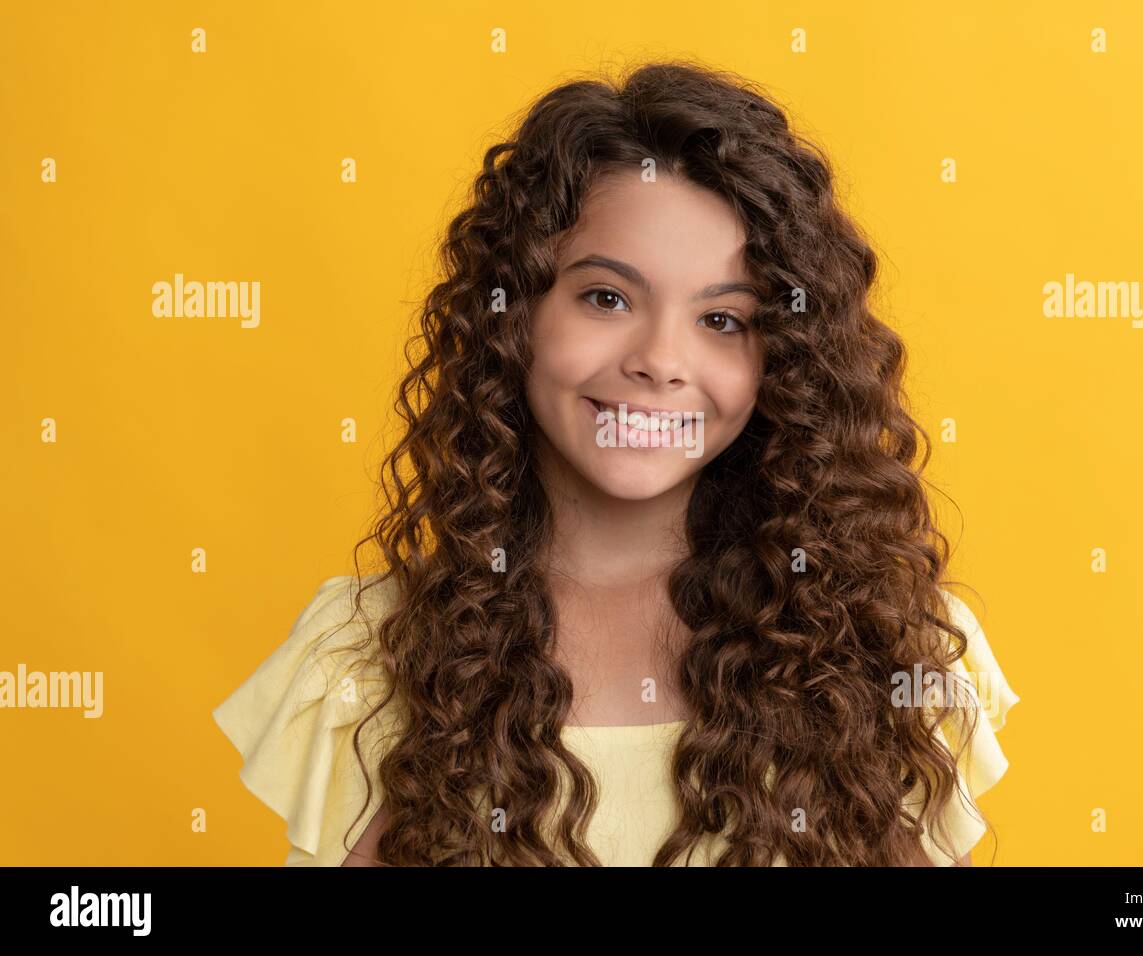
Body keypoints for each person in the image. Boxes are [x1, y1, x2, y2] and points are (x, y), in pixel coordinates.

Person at [212, 59, 1020, 867]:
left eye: (723, 319)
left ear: (786, 359)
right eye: (607, 298)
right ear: (517, 311)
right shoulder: (371, 654)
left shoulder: (888, 643)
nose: (662, 361)